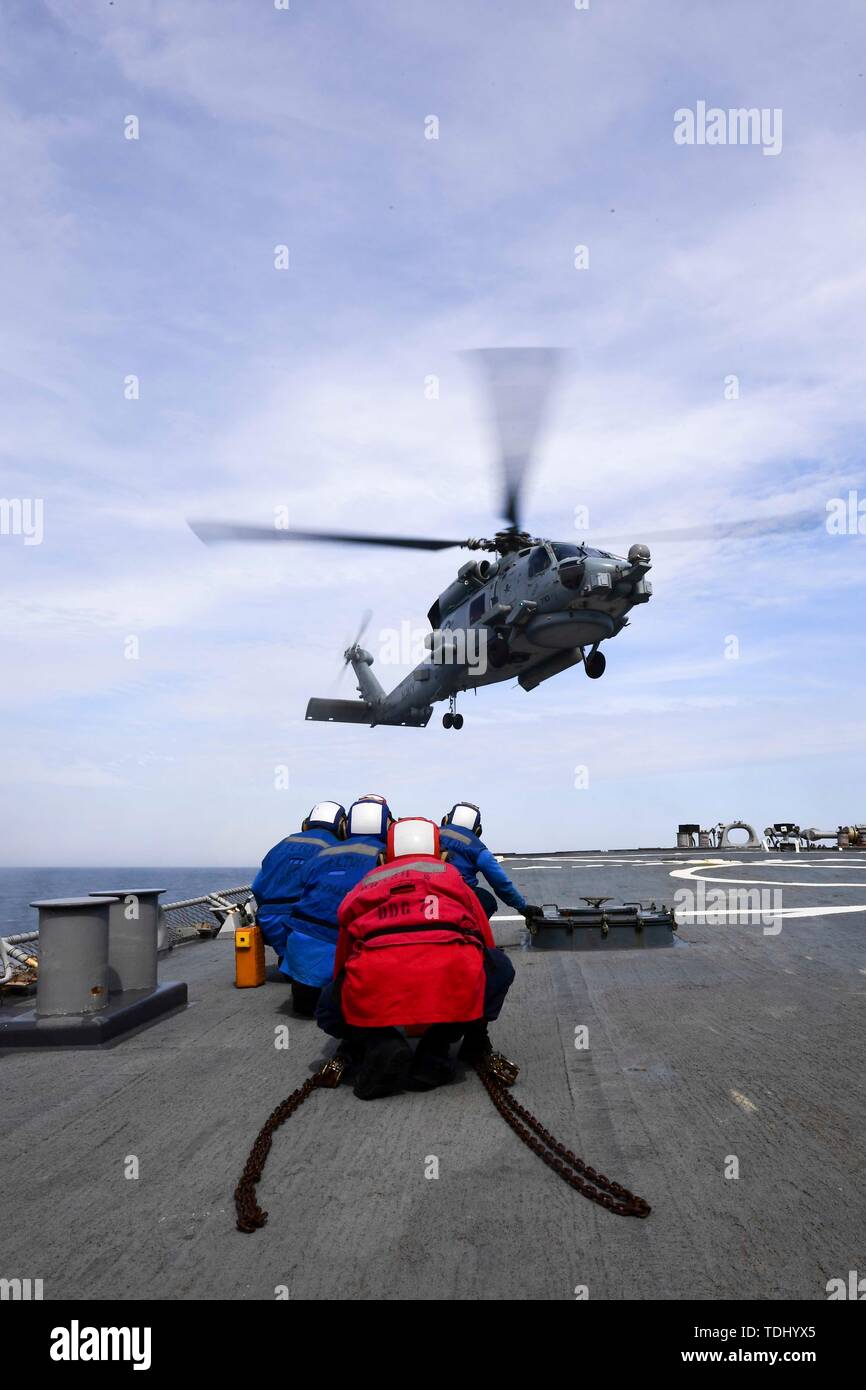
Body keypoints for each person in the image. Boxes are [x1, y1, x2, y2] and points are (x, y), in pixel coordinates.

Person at [316, 817, 516, 1100]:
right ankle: (437, 1047)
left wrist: (345, 996)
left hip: (376, 978)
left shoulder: (366, 884)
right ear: (441, 855)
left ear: (384, 857)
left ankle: (381, 1041)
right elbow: (487, 943)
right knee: (500, 968)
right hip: (451, 977)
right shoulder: (453, 879)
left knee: (327, 1009)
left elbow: (343, 952)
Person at [279, 798, 391, 1016]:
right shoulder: (385, 857)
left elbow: (300, 887)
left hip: (302, 943)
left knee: (304, 1009)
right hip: (349, 949)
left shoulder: (323, 854)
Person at [251, 802, 346, 958]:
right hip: (306, 925)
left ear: (305, 824)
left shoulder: (282, 844)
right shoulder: (336, 849)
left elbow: (257, 886)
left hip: (269, 922)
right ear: (342, 826)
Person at [439, 801, 530, 919]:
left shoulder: (430, 834)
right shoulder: (479, 850)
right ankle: (469, 934)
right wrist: (523, 907)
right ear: (478, 831)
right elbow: (501, 884)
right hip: (457, 895)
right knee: (487, 901)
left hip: (424, 890)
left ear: (445, 820)